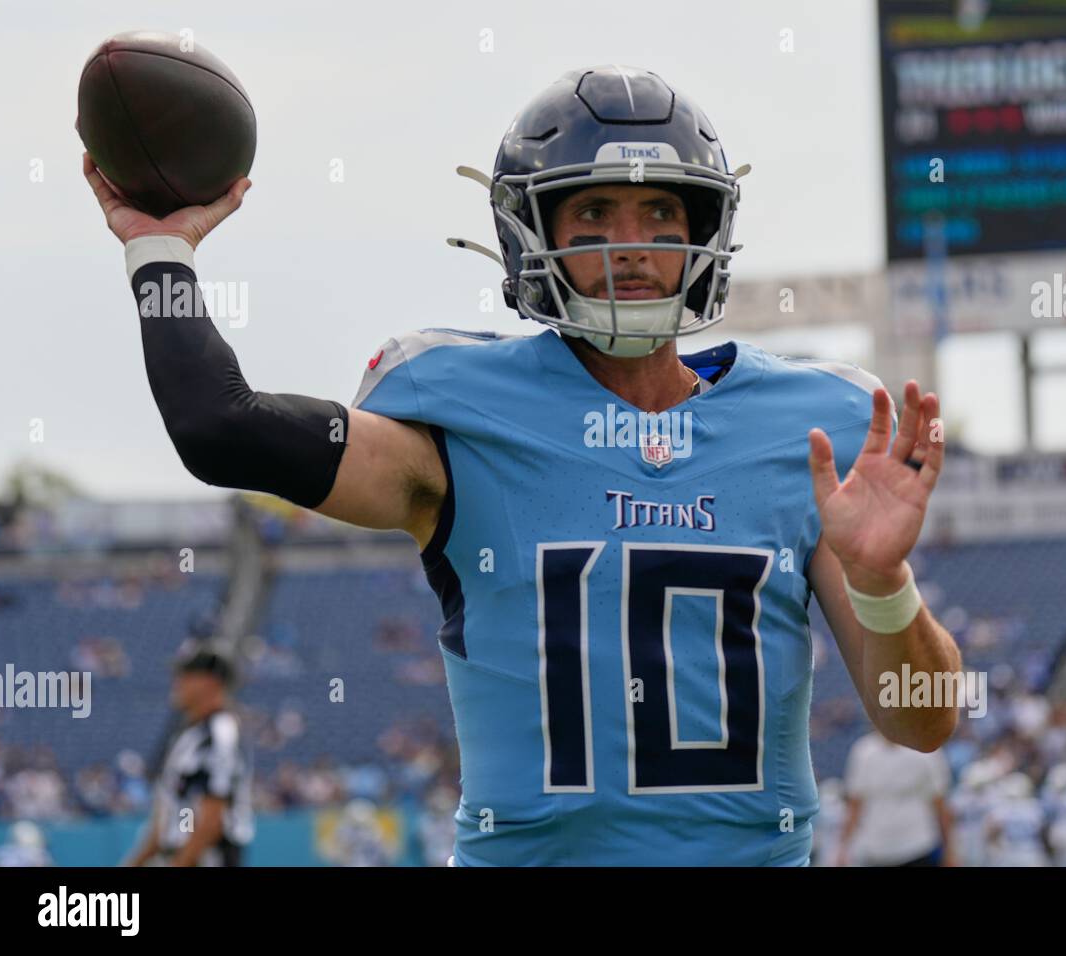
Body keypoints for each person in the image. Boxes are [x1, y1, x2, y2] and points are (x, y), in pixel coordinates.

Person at [86, 65, 960, 866]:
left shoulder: (813, 430)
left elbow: (922, 721)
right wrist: (161, 254)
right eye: (593, 214)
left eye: (661, 212)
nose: (631, 244)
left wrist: (883, 581)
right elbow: (219, 429)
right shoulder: (463, 413)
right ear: (530, 230)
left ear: (706, 227)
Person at [124, 647, 254, 866]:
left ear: (210, 681)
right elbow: (166, 818)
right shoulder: (189, 736)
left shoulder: (220, 733)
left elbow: (212, 817)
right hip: (182, 855)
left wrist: (181, 862)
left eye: (187, 676)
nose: (177, 683)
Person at [837, 731, 953, 866]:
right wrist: (843, 848)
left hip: (919, 847)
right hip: (875, 851)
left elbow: (940, 806)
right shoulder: (863, 751)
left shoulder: (927, 750)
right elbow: (855, 806)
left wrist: (950, 850)